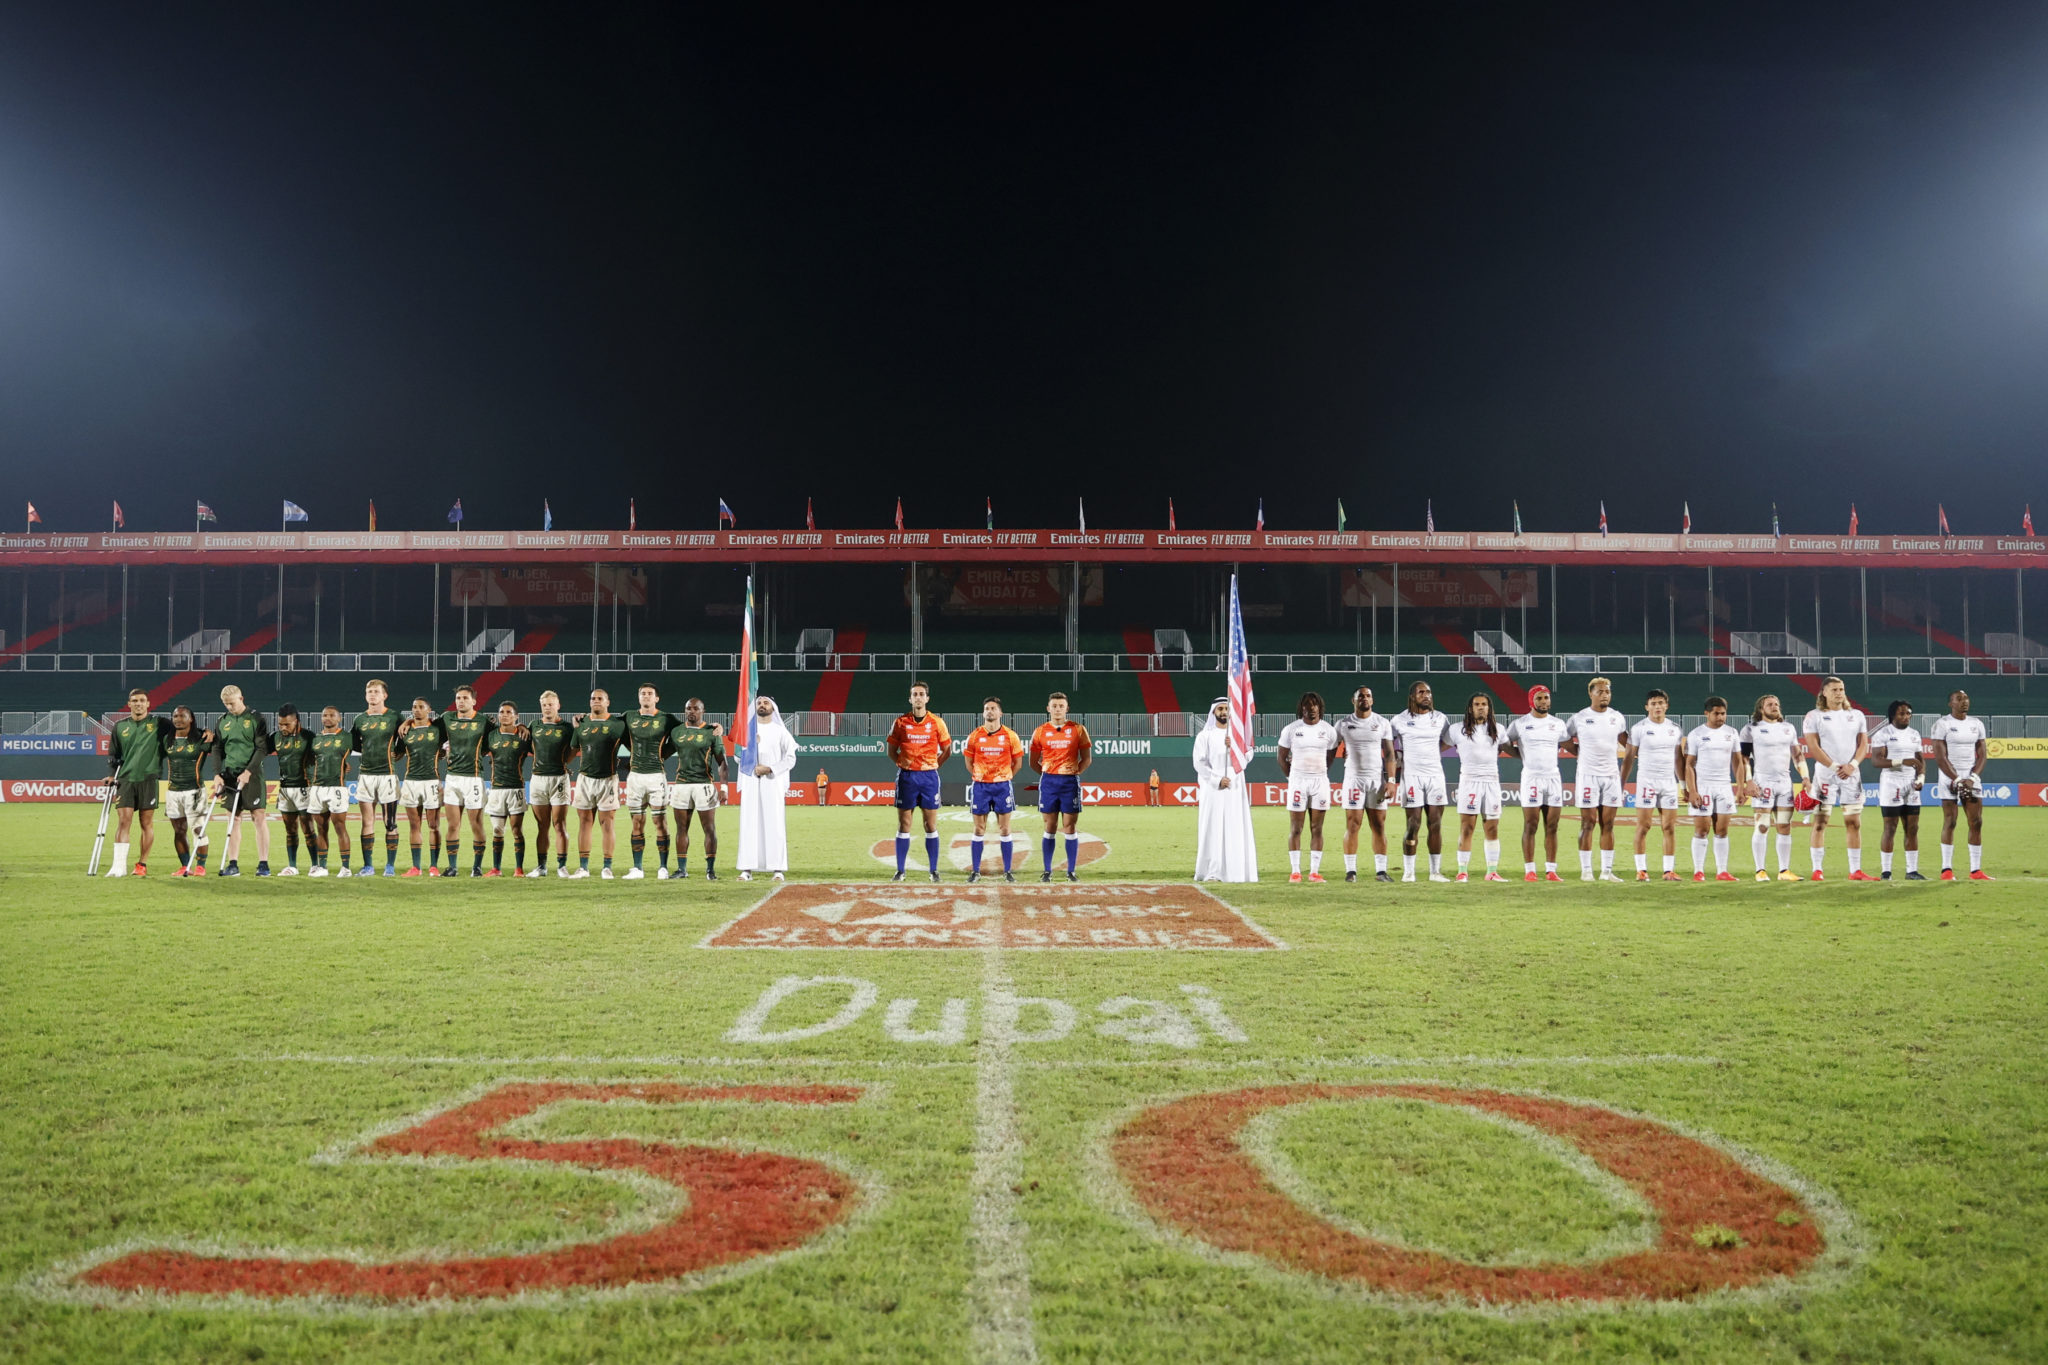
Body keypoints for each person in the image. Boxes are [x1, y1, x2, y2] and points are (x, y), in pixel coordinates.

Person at [1802, 676, 1872, 881]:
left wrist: (1853, 766)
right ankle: (1817, 870)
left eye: (1841, 689)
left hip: (1852, 775)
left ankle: (1855, 870)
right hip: (1825, 775)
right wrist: (1834, 767)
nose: (1839, 693)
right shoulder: (1814, 716)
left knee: (1854, 822)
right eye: (1834, 690)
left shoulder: (1856, 715)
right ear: (1824, 693)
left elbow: (1863, 745)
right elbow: (1813, 747)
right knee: (1821, 821)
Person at [104, 688, 176, 877]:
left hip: (149, 778)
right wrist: (112, 775)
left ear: (148, 704)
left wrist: (204, 733)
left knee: (146, 823)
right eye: (134, 700)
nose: (138, 703)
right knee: (123, 821)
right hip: (125, 779)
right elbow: (113, 754)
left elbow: (183, 727)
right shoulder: (120, 727)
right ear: (129, 704)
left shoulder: (160, 723)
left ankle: (141, 864)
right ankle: (118, 866)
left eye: (142, 700)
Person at [1567, 677, 1632, 882]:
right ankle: (1586, 871)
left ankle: (1606, 871)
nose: (1605, 695)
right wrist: (1578, 751)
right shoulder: (1579, 717)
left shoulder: (1617, 717)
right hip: (1588, 775)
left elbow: (1627, 741)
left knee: (1609, 824)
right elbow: (1565, 738)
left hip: (1611, 775)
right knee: (1588, 823)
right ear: (1591, 694)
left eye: (1608, 692)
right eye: (1600, 692)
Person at [887, 682, 953, 882]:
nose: (918, 697)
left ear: (927, 698)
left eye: (921, 694)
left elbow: (947, 749)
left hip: (929, 777)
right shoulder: (900, 723)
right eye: (914, 694)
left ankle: (933, 870)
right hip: (907, 777)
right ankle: (900, 870)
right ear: (910, 699)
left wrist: (933, 765)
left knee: (930, 824)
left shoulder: (937, 722)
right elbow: (891, 750)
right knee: (904, 824)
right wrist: (904, 764)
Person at [1389, 680, 1452, 882]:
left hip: (1435, 776)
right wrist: (1399, 754)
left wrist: (1431, 753)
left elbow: (1446, 741)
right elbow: (1389, 745)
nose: (1426, 695)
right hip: (1412, 776)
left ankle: (1435, 872)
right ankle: (1409, 871)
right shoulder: (1399, 720)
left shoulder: (1441, 718)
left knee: (1435, 823)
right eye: (1421, 692)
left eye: (1429, 692)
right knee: (1413, 824)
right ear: (1412, 696)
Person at [1740, 694, 1807, 882]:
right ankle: (1760, 870)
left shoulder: (1788, 728)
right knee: (1762, 826)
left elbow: (1798, 755)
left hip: (1785, 784)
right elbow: (1744, 758)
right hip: (1763, 784)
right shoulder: (1751, 729)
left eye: (1777, 703)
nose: (1774, 706)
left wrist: (1805, 777)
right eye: (1769, 704)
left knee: (1784, 826)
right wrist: (1749, 781)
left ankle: (1784, 871)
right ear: (1761, 709)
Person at [1505, 685, 1569, 882]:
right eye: (1539, 698)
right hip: (1531, 778)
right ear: (1531, 701)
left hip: (1553, 778)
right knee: (1531, 825)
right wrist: (1521, 756)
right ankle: (1530, 870)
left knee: (1552, 825)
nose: (1544, 702)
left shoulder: (1558, 724)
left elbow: (1568, 744)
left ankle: (1551, 870)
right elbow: (1505, 743)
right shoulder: (1520, 724)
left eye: (1546, 698)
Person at [209, 684, 273, 877]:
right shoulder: (222, 721)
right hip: (229, 775)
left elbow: (262, 748)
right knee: (233, 820)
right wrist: (217, 773)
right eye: (226, 704)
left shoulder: (256, 718)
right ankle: (233, 864)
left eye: (232, 703)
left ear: (241, 699)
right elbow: (217, 749)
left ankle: (263, 864)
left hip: (252, 776)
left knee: (258, 817)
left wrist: (248, 771)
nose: (230, 707)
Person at [1333, 686, 1395, 882]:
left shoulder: (1382, 723)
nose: (1365, 699)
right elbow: (1329, 748)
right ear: (1354, 701)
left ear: (1372, 700)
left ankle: (1381, 872)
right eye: (1361, 696)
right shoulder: (1343, 724)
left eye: (1368, 696)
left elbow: (1390, 753)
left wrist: (1392, 780)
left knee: (1378, 825)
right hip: (1353, 780)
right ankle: (1350, 872)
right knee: (1353, 824)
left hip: (1376, 780)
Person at [962, 697, 1027, 882]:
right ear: (983, 713)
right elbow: (968, 761)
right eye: (986, 709)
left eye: (993, 708)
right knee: (979, 828)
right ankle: (975, 871)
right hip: (981, 786)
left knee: (1005, 829)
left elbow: (1018, 763)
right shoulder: (974, 735)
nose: (989, 711)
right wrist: (980, 775)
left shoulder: (1010, 736)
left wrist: (1004, 776)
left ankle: (1007, 871)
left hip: (1002, 786)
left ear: (1000, 713)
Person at [1029, 691, 1092, 882]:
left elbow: (1087, 758)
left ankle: (1071, 871)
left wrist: (1074, 773)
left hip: (1069, 783)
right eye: (1054, 706)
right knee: (1050, 826)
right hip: (1049, 782)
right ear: (1048, 708)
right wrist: (1049, 774)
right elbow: (1033, 762)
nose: (1057, 709)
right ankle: (1047, 870)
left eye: (1061, 706)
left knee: (1070, 827)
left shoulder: (1078, 729)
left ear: (1067, 708)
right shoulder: (1040, 731)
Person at [1929, 688, 1991, 880]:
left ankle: (1975, 870)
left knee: (1976, 822)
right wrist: (1956, 779)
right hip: (1949, 777)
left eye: (1966, 698)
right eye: (1959, 699)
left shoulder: (1977, 724)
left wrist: (1972, 778)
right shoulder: (1942, 724)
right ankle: (1946, 870)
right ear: (1951, 703)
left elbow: (1982, 754)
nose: (1964, 701)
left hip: (1971, 777)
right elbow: (1940, 757)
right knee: (1951, 821)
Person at [1276, 692, 1339, 882]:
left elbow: (1331, 756)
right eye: (1307, 705)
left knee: (1316, 828)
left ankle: (1314, 872)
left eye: (1314, 704)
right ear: (1301, 708)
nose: (1311, 708)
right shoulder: (1291, 729)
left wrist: (1320, 772)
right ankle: (1295, 871)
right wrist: (1292, 776)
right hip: (1298, 781)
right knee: (1296, 828)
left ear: (1320, 707)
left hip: (1320, 781)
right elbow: (1281, 757)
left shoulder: (1328, 731)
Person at [1193, 697, 1257, 882]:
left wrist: (1235, 747)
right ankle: (1212, 871)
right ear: (1213, 712)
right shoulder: (1204, 736)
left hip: (1235, 785)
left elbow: (1247, 756)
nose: (1223, 712)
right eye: (1220, 709)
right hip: (1213, 788)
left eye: (1226, 709)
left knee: (1235, 826)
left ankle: (1236, 872)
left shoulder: (1238, 736)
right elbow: (1199, 763)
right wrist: (1217, 780)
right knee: (1212, 828)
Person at [1683, 696, 1746, 881]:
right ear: (1707, 714)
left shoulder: (1732, 733)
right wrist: (1693, 791)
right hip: (1703, 786)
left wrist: (1740, 788)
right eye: (1716, 713)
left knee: (1723, 830)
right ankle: (1698, 871)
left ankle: (1722, 871)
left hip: (1724, 786)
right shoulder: (1696, 734)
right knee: (1702, 830)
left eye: (1723, 713)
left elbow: (1738, 762)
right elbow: (1689, 765)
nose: (1720, 717)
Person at [622, 684, 681, 880]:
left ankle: (663, 867)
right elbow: (607, 725)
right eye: (643, 694)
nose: (646, 697)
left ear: (657, 698)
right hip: (635, 776)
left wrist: (712, 727)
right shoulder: (629, 716)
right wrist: (582, 719)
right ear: (639, 698)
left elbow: (684, 732)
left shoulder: (666, 718)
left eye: (650, 694)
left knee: (659, 821)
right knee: (637, 822)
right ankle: (637, 868)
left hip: (657, 776)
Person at [1626, 689, 1686, 882]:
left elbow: (1678, 758)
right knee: (1644, 826)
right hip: (1647, 782)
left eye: (1660, 703)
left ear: (1666, 705)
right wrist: (1621, 783)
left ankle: (1669, 871)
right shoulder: (1639, 728)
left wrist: (1683, 784)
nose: (1657, 706)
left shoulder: (1675, 729)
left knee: (1669, 827)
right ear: (1647, 707)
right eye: (1653, 703)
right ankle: (1641, 869)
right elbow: (1628, 758)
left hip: (1669, 782)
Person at [570, 688, 629, 878]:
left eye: (600, 698)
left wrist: (628, 765)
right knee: (584, 823)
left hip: (608, 779)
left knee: (607, 823)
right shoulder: (582, 722)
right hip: (585, 778)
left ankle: (607, 867)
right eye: (593, 698)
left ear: (607, 702)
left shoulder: (618, 724)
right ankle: (583, 867)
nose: (596, 701)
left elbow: (634, 747)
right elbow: (573, 748)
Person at [737, 695, 796, 881]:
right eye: (759, 703)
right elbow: (737, 758)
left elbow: (790, 759)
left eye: (766, 703)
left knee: (775, 824)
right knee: (749, 824)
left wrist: (770, 768)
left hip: (773, 782)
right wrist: (750, 750)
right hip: (751, 781)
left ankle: (777, 869)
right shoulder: (747, 731)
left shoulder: (781, 732)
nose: (762, 705)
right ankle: (746, 869)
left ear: (773, 707)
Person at [1451, 693, 1508, 881]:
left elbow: (1509, 748)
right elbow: (1438, 748)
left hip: (1491, 781)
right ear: (1470, 708)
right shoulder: (1456, 730)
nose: (1481, 707)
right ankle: (1462, 871)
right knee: (1467, 827)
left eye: (1484, 704)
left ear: (1489, 708)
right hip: (1469, 780)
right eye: (1477, 704)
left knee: (1492, 828)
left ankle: (1491, 871)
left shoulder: (1499, 729)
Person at [668, 697, 726, 880]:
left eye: (695, 708)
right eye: (688, 708)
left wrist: (724, 787)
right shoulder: (677, 731)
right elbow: (663, 752)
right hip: (681, 784)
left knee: (709, 828)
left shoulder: (711, 732)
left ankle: (710, 870)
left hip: (704, 785)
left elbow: (722, 762)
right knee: (681, 829)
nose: (691, 711)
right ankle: (682, 869)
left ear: (703, 711)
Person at [349, 680, 403, 877]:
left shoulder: (394, 716)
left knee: (390, 823)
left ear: (384, 695)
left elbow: (406, 736)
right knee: (367, 822)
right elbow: (354, 744)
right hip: (365, 775)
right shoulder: (360, 719)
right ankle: (368, 866)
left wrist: (398, 751)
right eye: (369, 691)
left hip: (387, 775)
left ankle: (390, 866)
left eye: (376, 692)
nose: (372, 695)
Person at [438, 685, 492, 877]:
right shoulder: (447, 718)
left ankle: (476, 867)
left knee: (476, 824)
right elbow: (429, 730)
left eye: (465, 698)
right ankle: (452, 867)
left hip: (474, 779)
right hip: (452, 778)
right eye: (458, 698)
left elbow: (497, 737)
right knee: (453, 825)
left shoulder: (483, 721)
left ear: (474, 701)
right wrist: (407, 724)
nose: (461, 701)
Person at [1870, 700, 1925, 881]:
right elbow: (1877, 761)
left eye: (1908, 713)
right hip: (1891, 783)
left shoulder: (1914, 734)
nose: (1906, 716)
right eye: (1902, 713)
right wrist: (1901, 761)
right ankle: (1886, 872)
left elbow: (1920, 760)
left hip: (1911, 784)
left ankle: (1912, 871)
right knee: (1890, 827)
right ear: (1893, 715)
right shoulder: (1883, 734)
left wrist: (1921, 778)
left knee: (1912, 828)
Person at [525, 691, 578, 877]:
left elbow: (575, 747)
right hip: (538, 779)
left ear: (558, 705)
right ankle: (541, 866)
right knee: (542, 826)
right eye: (544, 704)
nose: (547, 707)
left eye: (551, 704)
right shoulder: (534, 726)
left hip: (559, 779)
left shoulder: (566, 727)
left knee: (560, 824)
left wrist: (565, 763)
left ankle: (562, 866)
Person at [394, 697, 447, 876]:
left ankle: (434, 866)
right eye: (414, 707)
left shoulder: (438, 728)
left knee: (433, 825)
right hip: (410, 781)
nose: (416, 710)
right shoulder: (405, 731)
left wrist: (446, 751)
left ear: (429, 710)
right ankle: (416, 867)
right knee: (414, 826)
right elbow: (397, 754)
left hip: (432, 780)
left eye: (421, 707)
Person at [485, 701, 533, 877]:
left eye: (508, 712)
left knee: (516, 830)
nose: (504, 714)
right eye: (501, 711)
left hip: (516, 789)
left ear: (516, 716)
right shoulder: (491, 736)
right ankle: (496, 868)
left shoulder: (524, 736)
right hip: (496, 789)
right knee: (497, 830)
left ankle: (518, 868)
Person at [163, 706, 212, 877]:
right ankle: (185, 866)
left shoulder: (201, 738)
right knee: (179, 830)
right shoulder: (167, 740)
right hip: (173, 791)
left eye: (182, 716)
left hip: (195, 790)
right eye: (175, 716)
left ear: (191, 718)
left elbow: (218, 749)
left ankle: (201, 866)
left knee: (198, 828)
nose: (178, 719)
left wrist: (209, 732)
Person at [307, 706, 354, 877]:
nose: (327, 718)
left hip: (337, 787)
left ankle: (346, 868)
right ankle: (323, 867)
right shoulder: (315, 739)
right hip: (318, 787)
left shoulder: (347, 737)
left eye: (331, 715)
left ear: (339, 718)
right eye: (324, 715)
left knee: (340, 827)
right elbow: (313, 759)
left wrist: (345, 764)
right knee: (321, 829)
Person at [270, 705, 313, 875]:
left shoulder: (308, 736)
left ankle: (315, 865)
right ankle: (292, 866)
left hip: (304, 787)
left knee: (308, 828)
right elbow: (258, 750)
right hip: (285, 789)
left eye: (287, 724)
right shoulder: (275, 737)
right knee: (290, 830)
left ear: (296, 721)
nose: (283, 728)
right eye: (280, 724)